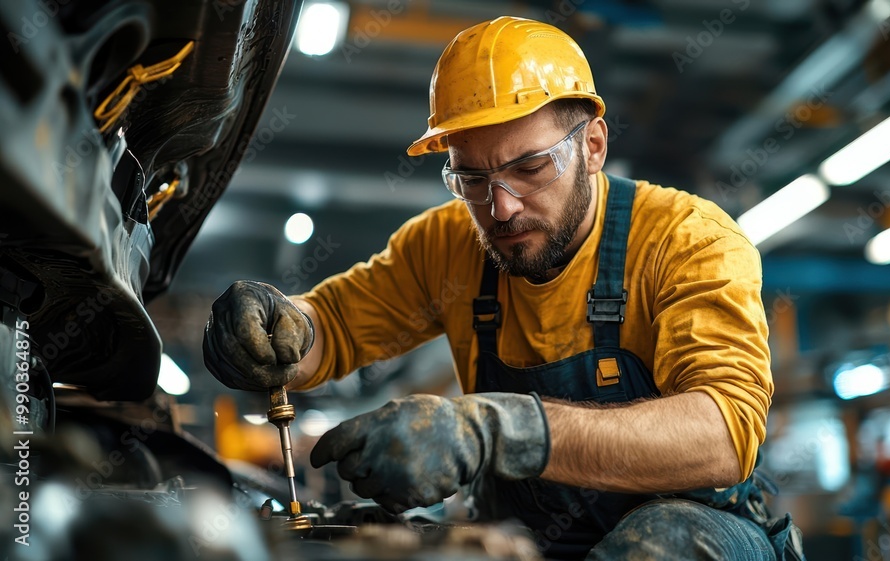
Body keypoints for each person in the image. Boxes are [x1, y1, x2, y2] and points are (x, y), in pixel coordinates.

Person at [203, 16, 803, 560]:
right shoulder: (447, 247)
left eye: (529, 167)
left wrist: (493, 428)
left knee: (660, 547)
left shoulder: (687, 239)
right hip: (526, 542)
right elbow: (329, 328)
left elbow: (724, 433)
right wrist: (279, 327)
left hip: (694, 537)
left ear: (592, 146)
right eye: (471, 177)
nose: (501, 207)